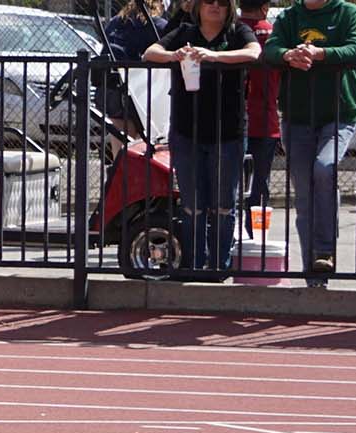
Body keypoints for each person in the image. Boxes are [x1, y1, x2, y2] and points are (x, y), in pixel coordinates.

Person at [145, 0, 258, 273]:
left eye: (221, 2)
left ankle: (219, 265)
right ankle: (194, 263)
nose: (215, 6)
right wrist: (174, 56)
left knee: (223, 203)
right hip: (187, 130)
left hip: (227, 131)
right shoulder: (185, 32)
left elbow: (254, 53)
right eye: (209, 1)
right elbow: (150, 52)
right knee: (192, 203)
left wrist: (213, 56)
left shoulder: (237, 32)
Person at [262, 0, 356, 282]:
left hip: (339, 113)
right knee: (305, 196)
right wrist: (288, 55)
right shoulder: (289, 17)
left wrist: (319, 53)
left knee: (324, 168)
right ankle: (314, 273)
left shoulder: (347, 13)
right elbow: (270, 50)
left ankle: (325, 249)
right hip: (296, 117)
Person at [238, 0, 281, 230]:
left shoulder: (231, 30)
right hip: (266, 119)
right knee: (259, 186)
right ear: (264, 7)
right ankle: (257, 237)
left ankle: (229, 240)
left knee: (230, 187)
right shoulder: (272, 33)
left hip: (233, 120)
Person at [105, 0, 170, 137]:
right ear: (161, 6)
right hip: (145, 90)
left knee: (120, 133)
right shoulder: (159, 25)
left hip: (114, 85)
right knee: (146, 136)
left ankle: (121, 157)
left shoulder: (116, 22)